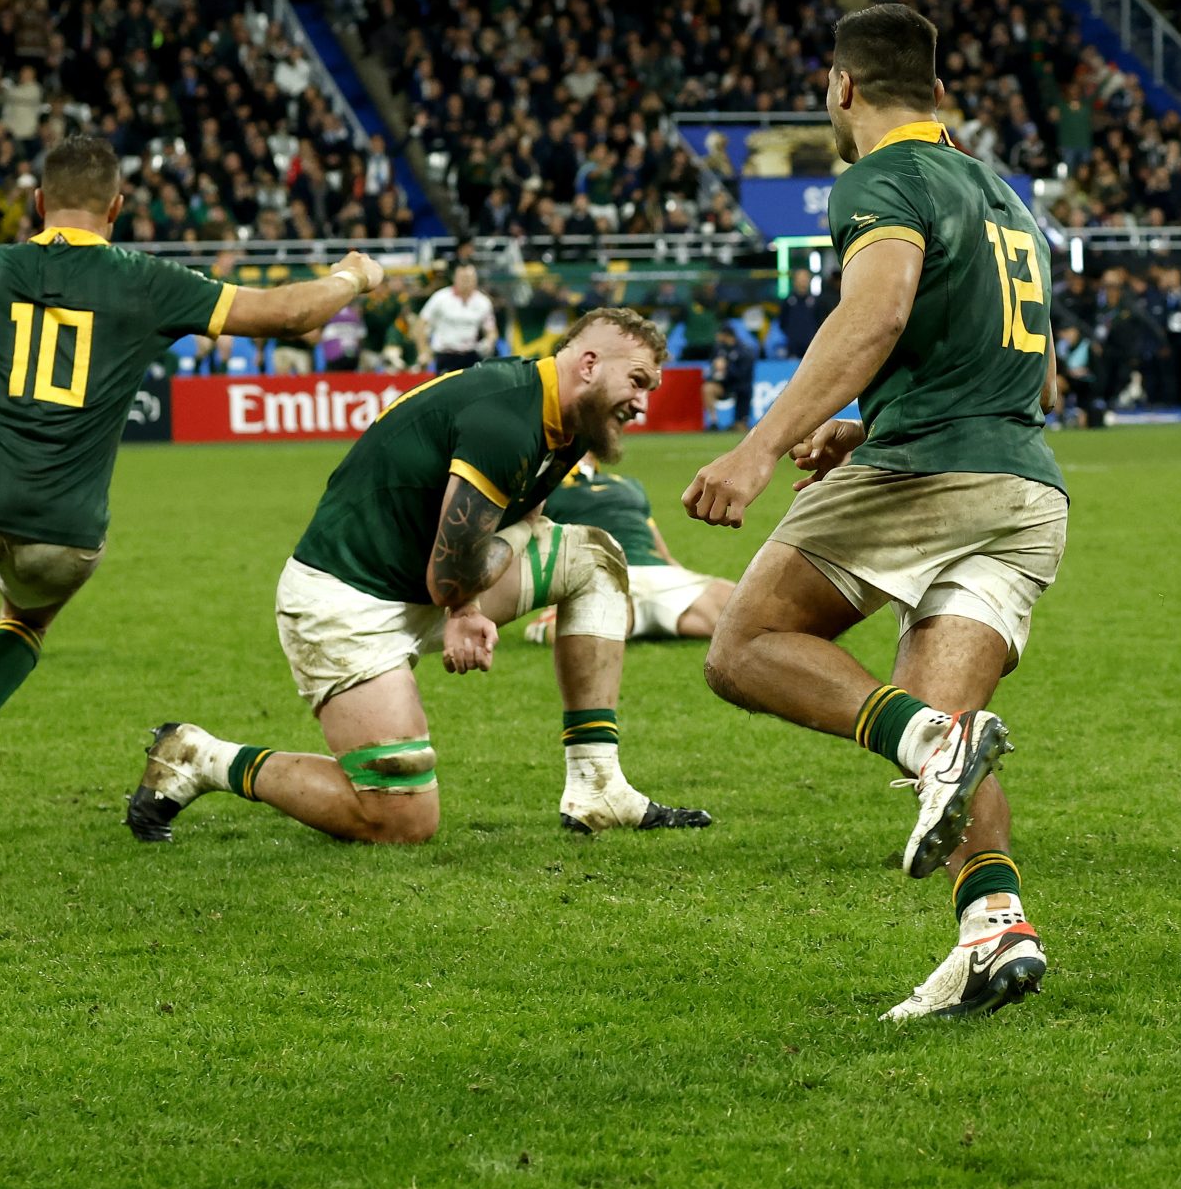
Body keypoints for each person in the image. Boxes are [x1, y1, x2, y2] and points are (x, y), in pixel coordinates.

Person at [0, 136, 387, 861]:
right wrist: (351, 275)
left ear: (36, 204)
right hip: (64, 531)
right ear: (117, 207)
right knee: (23, 619)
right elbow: (287, 314)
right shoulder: (146, 281)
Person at [682, 4, 1063, 1023]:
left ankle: (929, 748)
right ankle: (994, 928)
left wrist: (759, 447)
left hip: (932, 473)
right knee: (948, 719)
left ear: (839, 87)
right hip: (1026, 486)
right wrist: (872, 417)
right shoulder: (1003, 196)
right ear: (939, 93)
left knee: (746, 644)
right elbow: (1044, 377)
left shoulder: (878, 179)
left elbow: (878, 308)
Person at [124, 308, 711, 847]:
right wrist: (464, 601)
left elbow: (514, 519)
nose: (643, 403)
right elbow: (455, 571)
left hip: (432, 581)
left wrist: (468, 603)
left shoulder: (566, 417)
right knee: (400, 819)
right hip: (346, 603)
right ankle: (200, 758)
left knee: (597, 559)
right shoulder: (507, 421)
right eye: (638, 382)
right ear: (589, 364)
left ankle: (597, 786)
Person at [523, 459, 736, 642]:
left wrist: (682, 575)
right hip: (602, 571)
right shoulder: (543, 486)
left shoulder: (629, 485)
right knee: (593, 632)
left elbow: (659, 544)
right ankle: (548, 623)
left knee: (745, 612)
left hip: (659, 574)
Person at [419, 262, 496, 373]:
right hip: (446, 355)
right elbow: (422, 323)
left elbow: (491, 330)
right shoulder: (440, 298)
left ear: (475, 279)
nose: (466, 282)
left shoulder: (483, 302)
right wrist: (423, 350)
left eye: (469, 278)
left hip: (471, 356)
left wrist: (488, 342)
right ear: (454, 278)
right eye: (463, 278)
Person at [706, 320, 756, 430]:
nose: (717, 336)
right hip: (724, 385)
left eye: (719, 334)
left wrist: (726, 367)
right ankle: (713, 421)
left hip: (739, 385)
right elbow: (711, 367)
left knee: (744, 389)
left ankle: (740, 421)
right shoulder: (718, 349)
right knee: (707, 388)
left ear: (726, 335)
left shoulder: (743, 350)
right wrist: (715, 369)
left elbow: (743, 374)